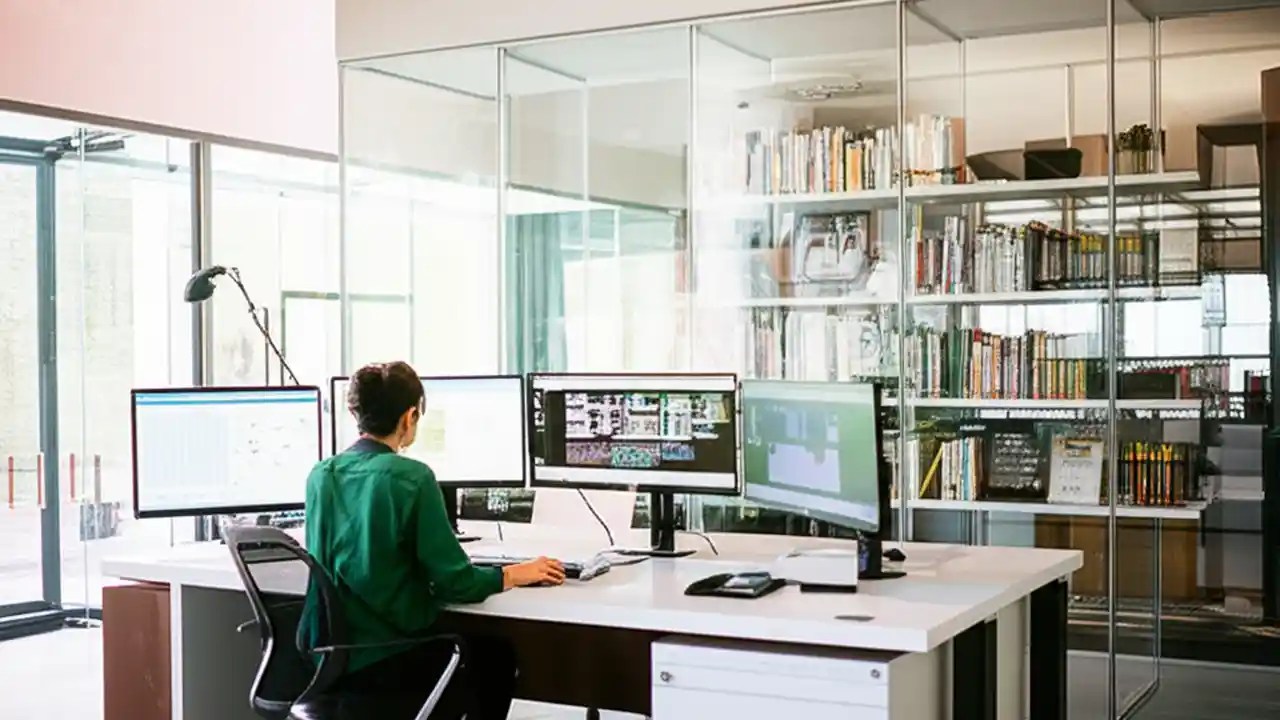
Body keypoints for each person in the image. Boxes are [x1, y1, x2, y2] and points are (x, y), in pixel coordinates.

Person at [299, 361, 564, 719]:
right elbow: (455, 581)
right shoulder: (412, 477)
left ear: (354, 412)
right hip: (390, 659)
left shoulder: (321, 474)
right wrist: (514, 573)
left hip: (330, 662)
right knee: (496, 655)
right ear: (410, 417)